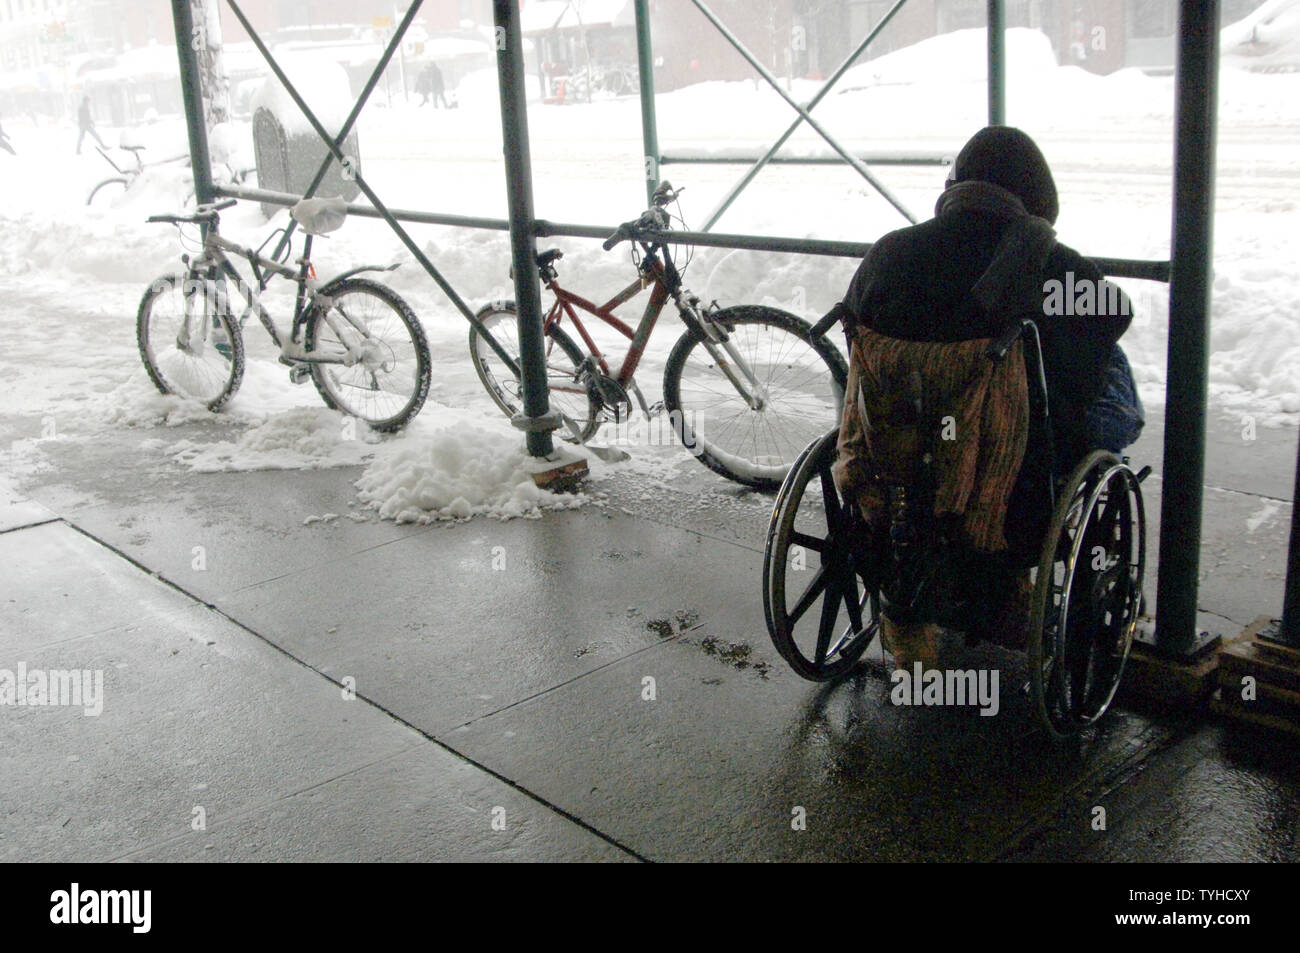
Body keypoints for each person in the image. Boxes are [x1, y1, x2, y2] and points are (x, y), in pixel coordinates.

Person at [834, 125, 1141, 668]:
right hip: (1011, 482)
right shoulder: (1051, 263)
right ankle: (1013, 592)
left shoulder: (889, 254)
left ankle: (917, 613)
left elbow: (853, 319)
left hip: (894, 457)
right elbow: (1115, 314)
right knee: (1112, 371)